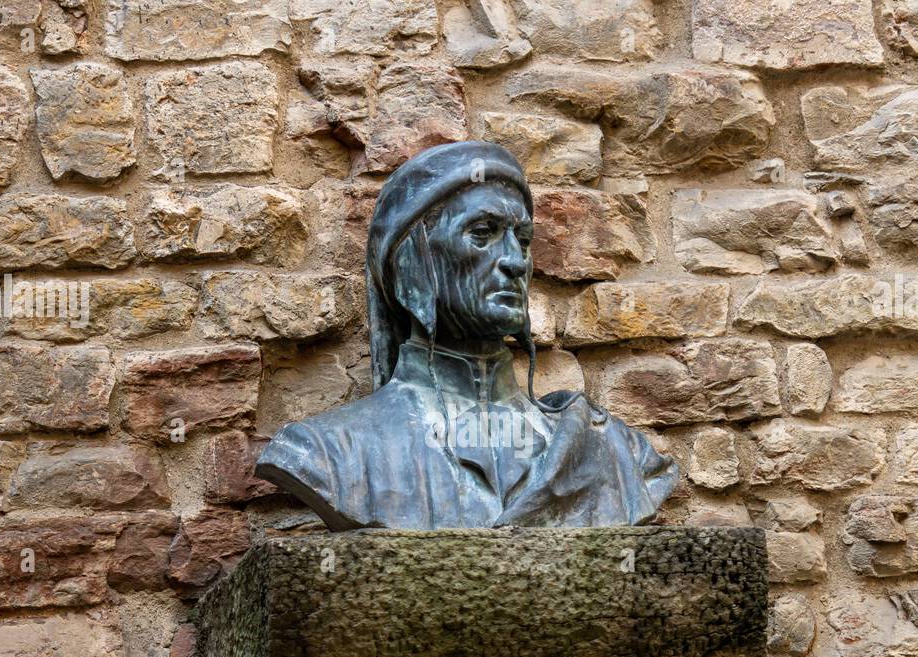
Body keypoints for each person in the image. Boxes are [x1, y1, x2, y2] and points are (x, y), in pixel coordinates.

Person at [255, 141, 678, 530]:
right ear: (411, 264)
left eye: (523, 240)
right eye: (482, 234)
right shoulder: (328, 452)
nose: (515, 261)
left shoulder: (616, 451)